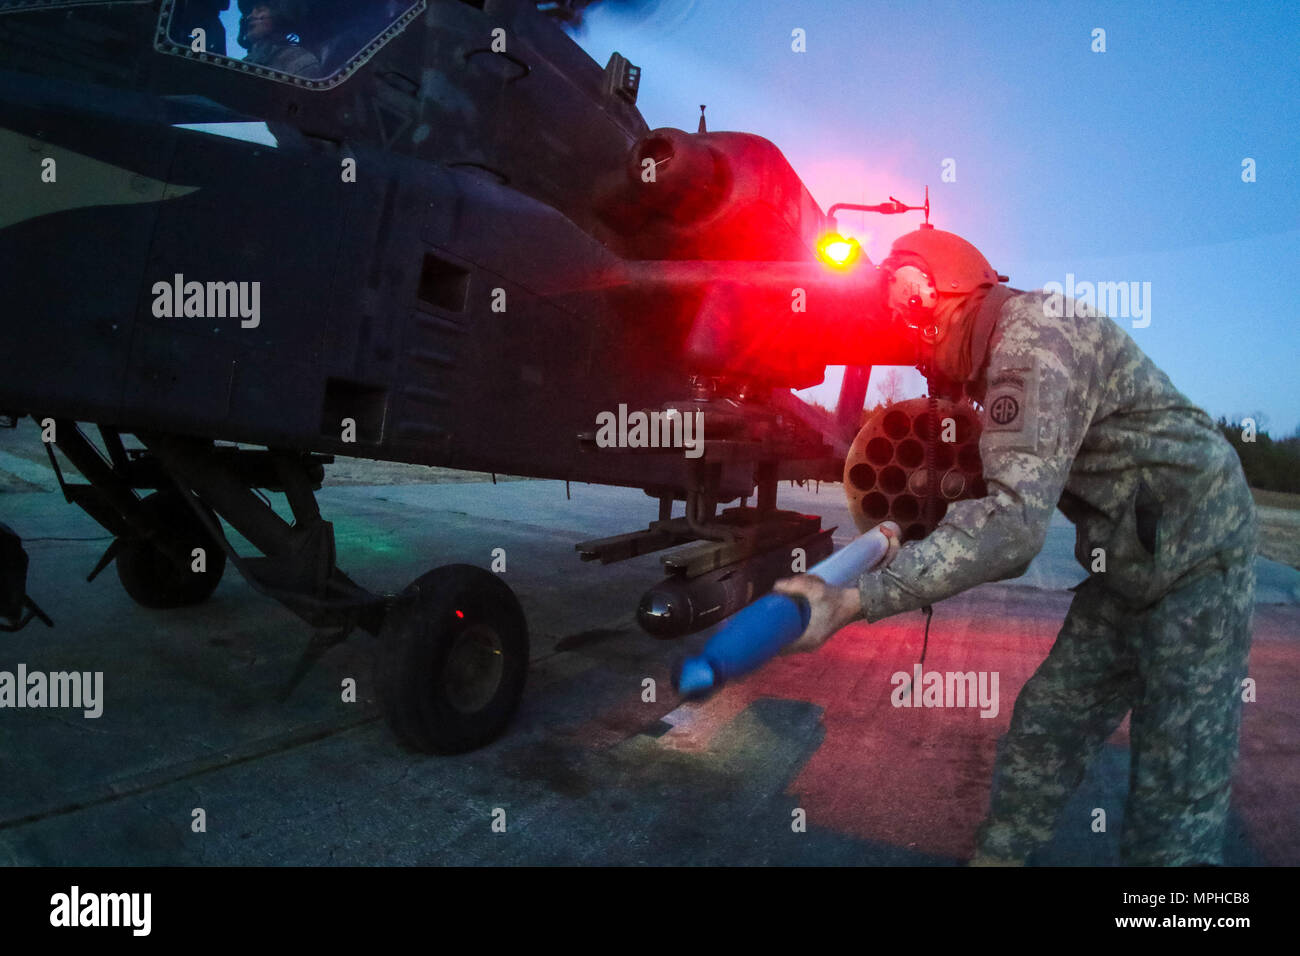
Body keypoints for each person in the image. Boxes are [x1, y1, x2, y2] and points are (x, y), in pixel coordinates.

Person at [773, 225, 1257, 866]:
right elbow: (986, 488)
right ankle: (999, 858)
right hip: (1129, 569)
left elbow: (1011, 527)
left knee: (1174, 795)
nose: (917, 353)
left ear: (937, 293)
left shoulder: (1032, 337)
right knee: (1045, 727)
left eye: (912, 324)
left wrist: (857, 597)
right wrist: (903, 538)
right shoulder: (1002, 354)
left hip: (1200, 561)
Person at [238, 1, 321, 77]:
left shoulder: (297, 59)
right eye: (248, 12)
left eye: (260, 10)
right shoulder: (247, 61)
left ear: (280, 14)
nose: (249, 17)